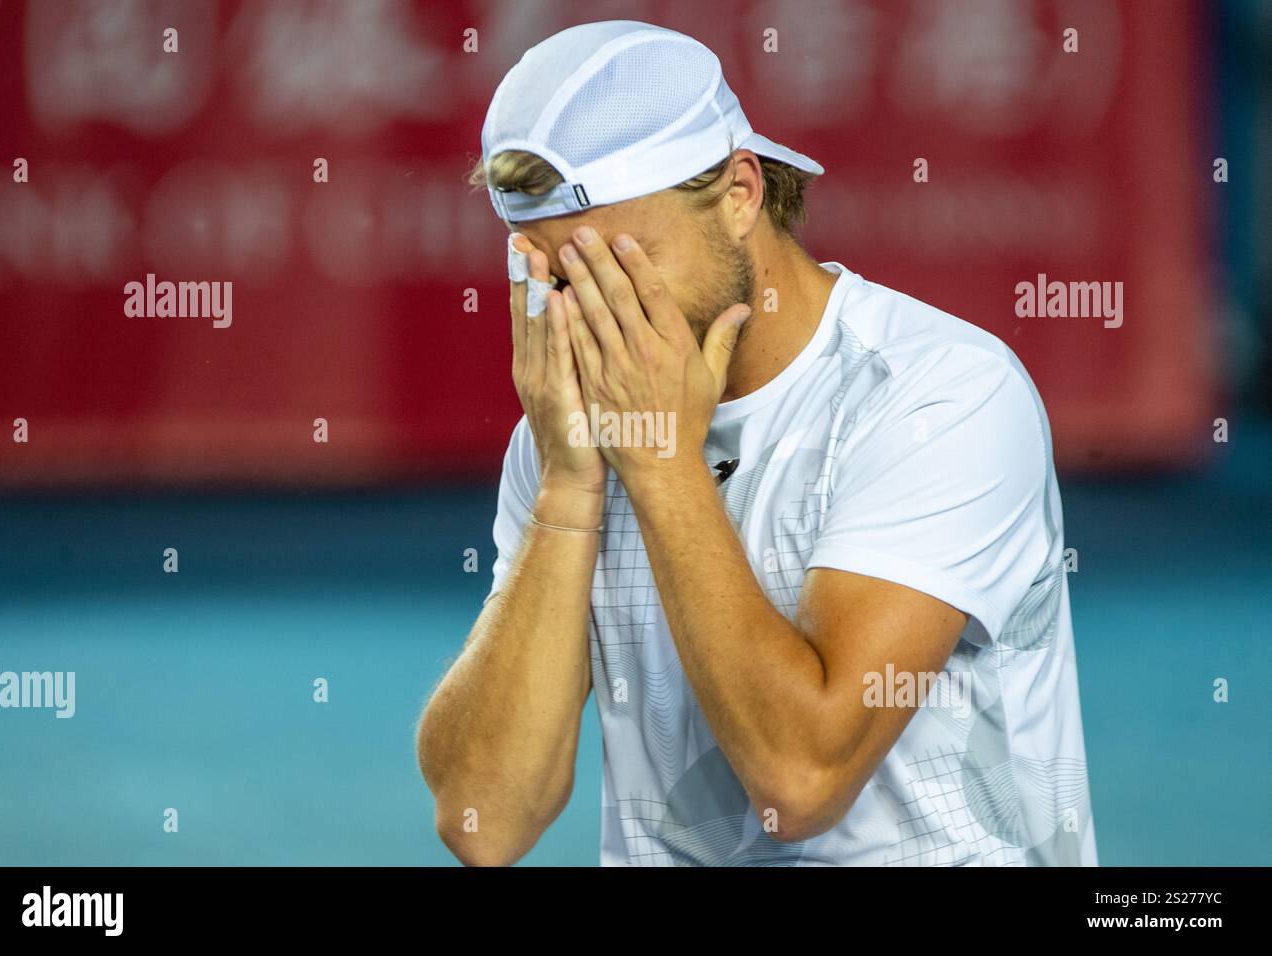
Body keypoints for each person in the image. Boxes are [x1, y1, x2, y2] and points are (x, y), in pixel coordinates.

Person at [417, 20, 1097, 867]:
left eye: (621, 268)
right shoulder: (570, 434)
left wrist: (661, 462)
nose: (593, 315)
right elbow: (485, 820)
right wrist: (565, 490)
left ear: (741, 192)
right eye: (559, 280)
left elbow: (803, 780)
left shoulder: (941, 393)